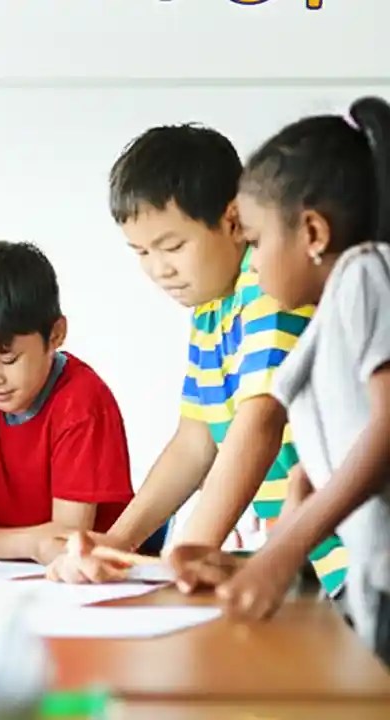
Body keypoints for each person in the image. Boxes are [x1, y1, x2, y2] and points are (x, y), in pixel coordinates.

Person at [49, 125, 346, 595]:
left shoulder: (270, 283)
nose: (158, 269)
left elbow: (260, 420)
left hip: (346, 554)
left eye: (172, 247)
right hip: (301, 555)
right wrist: (120, 541)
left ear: (233, 222)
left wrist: (190, 551)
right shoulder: (210, 311)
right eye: (141, 252)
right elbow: (195, 440)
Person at [171, 96, 390, 664]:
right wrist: (262, 553)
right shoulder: (331, 307)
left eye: (257, 240)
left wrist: (284, 552)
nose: (253, 261)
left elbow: (386, 432)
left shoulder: (367, 274)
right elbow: (313, 472)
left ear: (313, 231)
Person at [0, 241, 133, 564]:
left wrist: (2, 541)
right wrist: (34, 544)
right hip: (0, 579)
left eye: (8, 358)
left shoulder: (82, 404)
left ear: (56, 334)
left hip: (90, 578)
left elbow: (67, 540)